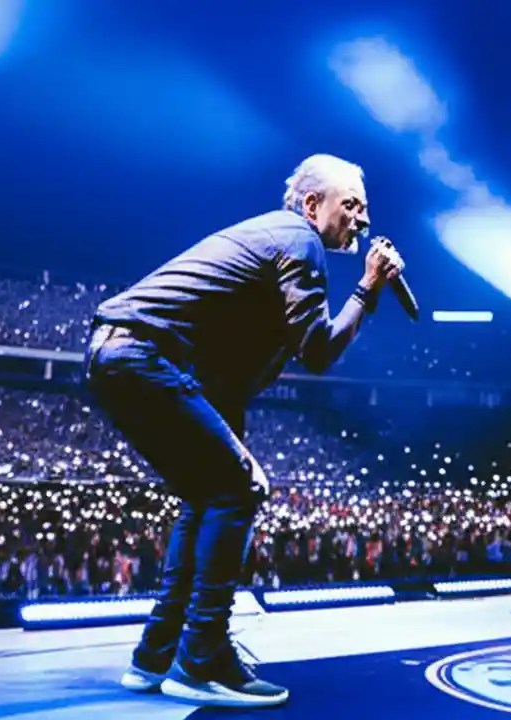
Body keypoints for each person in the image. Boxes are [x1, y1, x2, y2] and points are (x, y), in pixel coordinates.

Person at [83, 153, 404, 707]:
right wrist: (368, 288)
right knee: (239, 489)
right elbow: (320, 350)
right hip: (142, 355)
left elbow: (231, 376)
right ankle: (202, 659)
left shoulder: (266, 245)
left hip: (117, 355)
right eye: (349, 205)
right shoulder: (299, 241)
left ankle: (155, 654)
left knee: (207, 496)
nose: (362, 219)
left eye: (365, 208)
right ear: (312, 204)